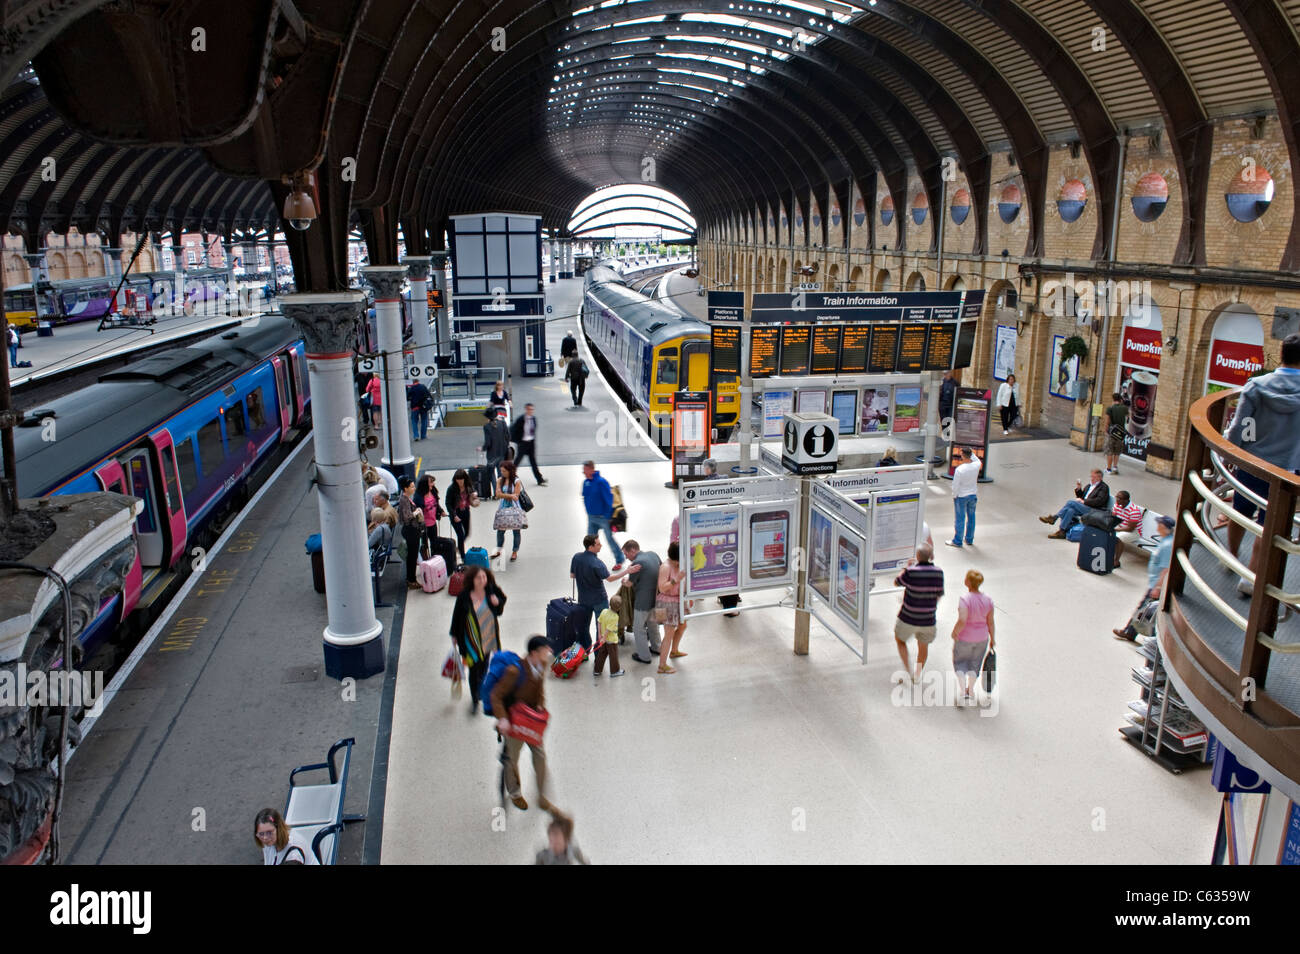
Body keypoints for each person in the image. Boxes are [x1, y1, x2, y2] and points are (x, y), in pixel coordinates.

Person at [1226, 333, 1300, 596]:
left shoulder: (1256, 385)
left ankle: (1231, 554)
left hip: (1252, 462)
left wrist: (1230, 453)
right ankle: (1250, 576)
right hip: (1286, 470)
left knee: (1240, 511)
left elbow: (1240, 426)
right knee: (1268, 523)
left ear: (1281, 355)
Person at [492, 634, 556, 812]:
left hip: (532, 720)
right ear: (534, 653)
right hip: (514, 722)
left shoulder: (542, 665)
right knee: (511, 760)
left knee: (540, 758)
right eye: (545, 650)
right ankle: (515, 793)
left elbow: (539, 689)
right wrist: (503, 719)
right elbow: (496, 696)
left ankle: (541, 796)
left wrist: (541, 706)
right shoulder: (514, 671)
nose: (549, 652)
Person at [450, 565, 507, 709]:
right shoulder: (464, 596)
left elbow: (501, 603)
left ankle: (480, 689)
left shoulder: (491, 590)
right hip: (469, 642)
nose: (482, 580)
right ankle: (475, 696)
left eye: (484, 577)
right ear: (472, 580)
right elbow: (456, 616)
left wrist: (497, 602)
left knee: (484, 666)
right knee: (473, 669)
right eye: (478, 577)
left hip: (488, 638)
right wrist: (454, 634)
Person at [1113, 516, 1176, 641]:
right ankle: (1131, 632)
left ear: (1164, 527)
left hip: (1157, 585)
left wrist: (1158, 587)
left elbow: (1165, 569)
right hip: (1154, 582)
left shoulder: (1168, 544)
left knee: (1145, 609)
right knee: (1144, 609)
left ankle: (1131, 632)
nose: (1157, 527)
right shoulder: (1165, 540)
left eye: (1159, 525)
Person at [569, 534, 637, 649]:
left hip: (583, 599)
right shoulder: (597, 563)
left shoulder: (576, 557)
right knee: (600, 626)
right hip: (599, 600)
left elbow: (572, 575)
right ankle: (597, 652)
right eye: (598, 544)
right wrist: (627, 571)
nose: (601, 546)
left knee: (584, 626)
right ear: (590, 547)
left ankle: (584, 651)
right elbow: (610, 579)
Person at [894, 543, 944, 683]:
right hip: (928, 619)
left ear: (917, 556)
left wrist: (906, 568)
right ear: (931, 556)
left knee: (900, 640)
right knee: (923, 646)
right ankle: (917, 674)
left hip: (907, 617)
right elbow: (939, 594)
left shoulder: (911, 572)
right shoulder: (939, 572)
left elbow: (896, 582)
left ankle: (908, 670)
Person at [950, 570, 995, 705]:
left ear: (968, 582)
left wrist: (955, 632)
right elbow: (991, 622)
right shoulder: (988, 600)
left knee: (960, 663)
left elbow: (962, 620)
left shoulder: (965, 599)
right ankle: (971, 690)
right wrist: (992, 638)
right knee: (975, 664)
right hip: (982, 638)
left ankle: (963, 693)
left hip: (965, 637)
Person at [620, 540, 662, 664]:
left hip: (643, 601)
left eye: (626, 553)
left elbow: (629, 584)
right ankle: (657, 647)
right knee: (653, 625)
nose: (626, 557)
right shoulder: (653, 554)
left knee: (638, 629)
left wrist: (623, 580)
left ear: (633, 550)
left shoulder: (637, 563)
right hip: (657, 599)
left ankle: (644, 656)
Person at [1039, 467, 1110, 539]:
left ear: (1100, 478)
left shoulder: (1103, 487)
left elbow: (1099, 501)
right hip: (1085, 507)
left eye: (1094, 477)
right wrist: (1079, 489)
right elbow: (1081, 496)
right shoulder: (1089, 485)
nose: (1091, 478)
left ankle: (1054, 517)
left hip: (1094, 510)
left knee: (1071, 502)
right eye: (1091, 476)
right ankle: (1062, 531)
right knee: (1070, 510)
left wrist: (1084, 501)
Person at [581, 460, 624, 568]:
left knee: (609, 539)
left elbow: (609, 499)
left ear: (591, 469)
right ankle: (590, 561)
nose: (583, 472)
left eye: (585, 470)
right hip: (591, 517)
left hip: (603, 518)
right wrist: (588, 512)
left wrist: (607, 516)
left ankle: (619, 559)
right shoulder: (586, 482)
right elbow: (585, 497)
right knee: (590, 541)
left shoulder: (601, 482)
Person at [655, 542, 688, 674]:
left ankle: (674, 651)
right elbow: (662, 587)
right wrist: (677, 580)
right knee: (668, 634)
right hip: (666, 604)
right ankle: (662, 665)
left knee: (682, 625)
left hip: (678, 601)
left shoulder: (677, 564)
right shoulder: (666, 567)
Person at [254, 807, 319, 865]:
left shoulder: (294, 855)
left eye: (269, 832)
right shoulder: (269, 841)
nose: (265, 838)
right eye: (261, 834)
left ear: (278, 828)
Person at [491, 460, 527, 562]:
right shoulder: (499, 480)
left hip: (514, 508)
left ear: (510, 471)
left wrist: (505, 495)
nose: (502, 473)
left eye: (504, 471)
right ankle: (499, 550)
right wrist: (510, 495)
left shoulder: (516, 481)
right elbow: (497, 494)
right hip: (503, 508)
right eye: (501, 471)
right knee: (500, 531)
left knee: (516, 531)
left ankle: (515, 551)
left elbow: (516, 496)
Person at [947, 446, 980, 549]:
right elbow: (975, 458)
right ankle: (969, 539)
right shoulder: (977, 464)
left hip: (961, 496)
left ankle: (957, 541)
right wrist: (970, 451)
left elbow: (955, 485)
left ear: (962, 456)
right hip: (973, 494)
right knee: (971, 517)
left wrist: (954, 495)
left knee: (960, 519)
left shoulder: (960, 469)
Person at [396, 475, 425, 589]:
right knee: (412, 557)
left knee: (413, 556)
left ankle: (411, 578)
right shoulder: (404, 500)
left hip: (412, 530)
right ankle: (411, 580)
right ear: (405, 488)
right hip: (411, 531)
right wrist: (417, 512)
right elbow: (407, 517)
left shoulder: (407, 498)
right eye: (412, 487)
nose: (414, 489)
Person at [446, 468, 479, 562]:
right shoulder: (451, 488)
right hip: (456, 513)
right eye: (458, 479)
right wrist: (453, 515)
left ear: (465, 478)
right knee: (460, 535)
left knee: (467, 533)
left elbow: (473, 491)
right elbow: (447, 503)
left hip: (466, 511)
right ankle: (463, 556)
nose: (460, 482)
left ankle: (458, 547)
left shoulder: (468, 485)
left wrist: (475, 494)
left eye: (461, 479)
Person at [510, 403, 546, 485]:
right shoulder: (521, 419)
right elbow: (513, 430)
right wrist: (517, 441)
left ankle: (539, 479)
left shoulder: (533, 419)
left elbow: (533, 431)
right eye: (529, 409)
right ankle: (510, 477)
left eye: (532, 409)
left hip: (531, 444)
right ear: (526, 409)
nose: (531, 411)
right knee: (517, 462)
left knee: (533, 462)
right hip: (522, 444)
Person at [593, 593, 625, 677]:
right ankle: (615, 671)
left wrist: (600, 635)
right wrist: (604, 637)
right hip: (611, 640)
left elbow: (599, 622)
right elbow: (608, 629)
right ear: (619, 608)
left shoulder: (604, 611)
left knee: (601, 655)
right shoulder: (615, 617)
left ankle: (597, 670)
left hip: (604, 639)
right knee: (613, 656)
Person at [1110, 490, 1144, 568]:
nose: (1117, 499)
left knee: (1119, 538)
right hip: (1121, 526)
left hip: (1134, 532)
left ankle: (1116, 561)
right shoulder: (1117, 505)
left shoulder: (1134, 510)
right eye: (1117, 497)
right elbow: (1113, 518)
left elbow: (1130, 529)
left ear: (1126, 500)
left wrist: (1116, 529)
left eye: (1119, 498)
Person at [480, 407, 511, 484]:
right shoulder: (503, 423)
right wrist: (505, 446)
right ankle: (501, 492)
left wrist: (482, 448)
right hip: (502, 453)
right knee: (501, 474)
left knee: (491, 474)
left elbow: (488, 443)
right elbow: (508, 437)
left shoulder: (487, 426)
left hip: (492, 456)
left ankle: (496, 492)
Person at [415, 473, 444, 554]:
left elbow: (436, 503)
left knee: (434, 544)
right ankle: (426, 562)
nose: (433, 484)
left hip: (433, 523)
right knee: (424, 546)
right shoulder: (418, 497)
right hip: (423, 526)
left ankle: (434, 561)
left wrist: (441, 511)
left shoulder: (433, 491)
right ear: (425, 484)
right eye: (431, 482)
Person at [1104, 391, 1128, 474]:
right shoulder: (1124, 408)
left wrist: (1106, 431)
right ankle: (1115, 467)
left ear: (1113, 399)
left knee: (1110, 451)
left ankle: (1108, 469)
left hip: (1112, 432)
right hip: (1121, 433)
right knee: (1117, 451)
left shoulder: (1110, 408)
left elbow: (1107, 421)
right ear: (1120, 399)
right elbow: (1128, 417)